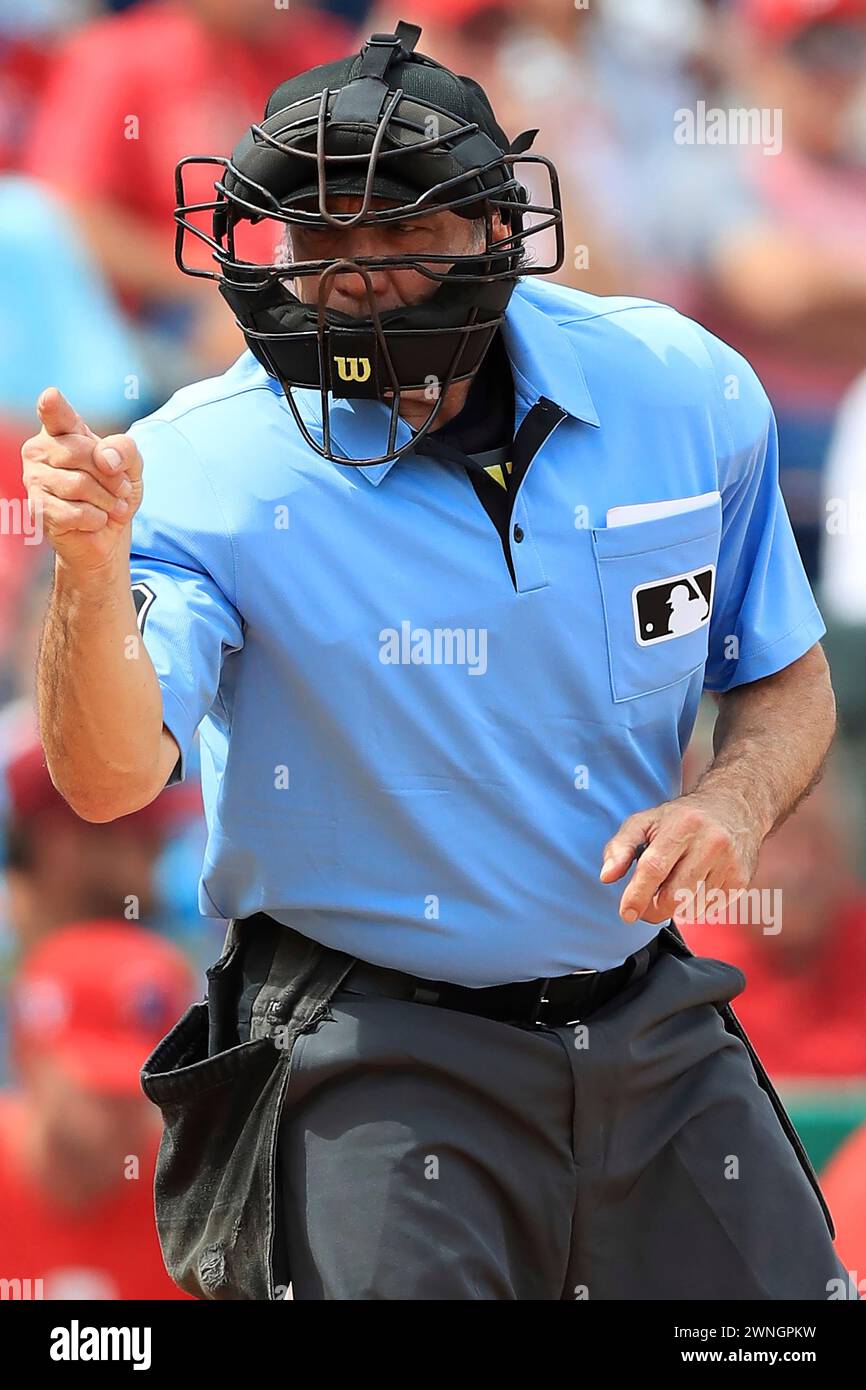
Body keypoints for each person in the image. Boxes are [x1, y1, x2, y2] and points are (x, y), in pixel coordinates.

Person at [21, 21, 852, 1301]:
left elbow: (783, 674)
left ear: (488, 229)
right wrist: (83, 572)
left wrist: (726, 803)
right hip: (371, 1045)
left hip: (644, 1018)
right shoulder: (201, 464)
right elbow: (109, 777)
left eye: (389, 230)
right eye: (313, 235)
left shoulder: (680, 388)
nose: (345, 275)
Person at [0, 920, 195, 1300]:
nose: (122, 1109)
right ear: (28, 1058)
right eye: (97, 1085)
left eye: (141, 1090)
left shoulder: (191, 1206)